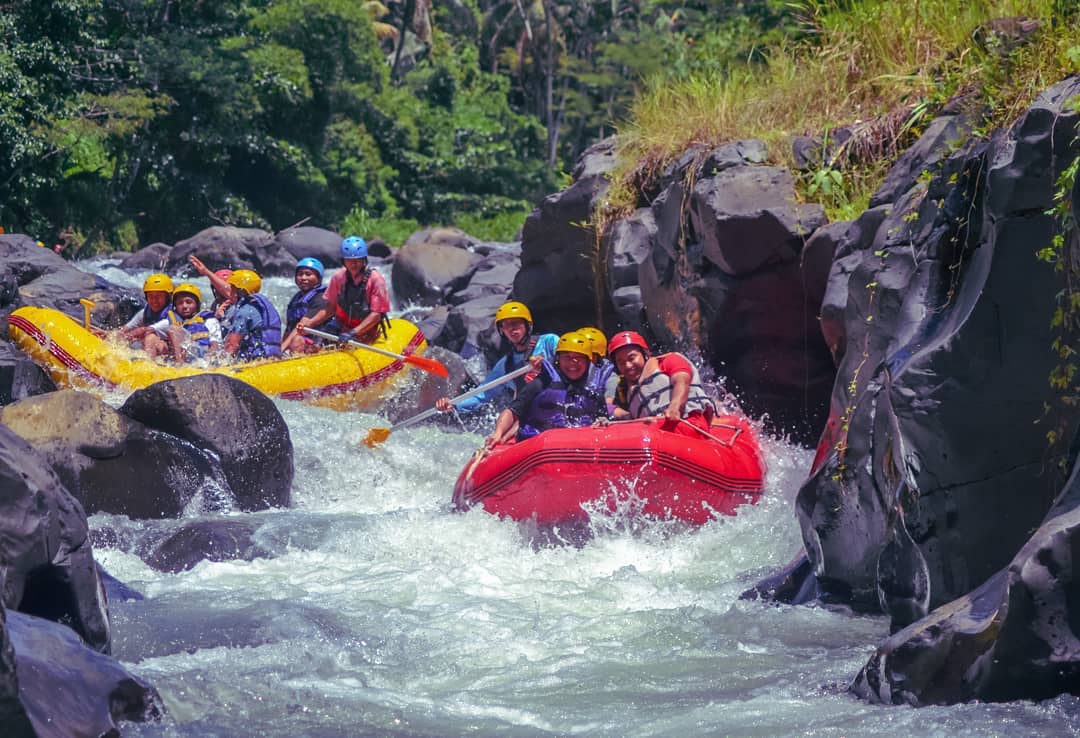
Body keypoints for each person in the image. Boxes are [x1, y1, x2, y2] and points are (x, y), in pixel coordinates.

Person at [434, 300, 558, 416]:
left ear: (527, 325)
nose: (511, 329)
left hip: (561, 403)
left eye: (515, 323)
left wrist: (550, 364)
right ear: (502, 331)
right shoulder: (505, 365)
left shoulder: (550, 342)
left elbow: (571, 362)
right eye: (506, 325)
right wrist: (453, 404)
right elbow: (481, 395)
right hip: (536, 415)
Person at [485, 331, 609, 446]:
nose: (572, 363)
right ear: (557, 360)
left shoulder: (594, 389)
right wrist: (498, 433)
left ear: (588, 361)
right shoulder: (541, 383)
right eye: (567, 357)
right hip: (537, 446)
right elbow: (512, 411)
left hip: (577, 447)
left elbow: (603, 418)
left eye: (579, 358)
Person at [607, 330, 717, 437]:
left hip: (689, 423)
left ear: (645, 354)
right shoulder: (626, 392)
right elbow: (612, 408)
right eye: (621, 362)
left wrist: (675, 406)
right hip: (657, 435)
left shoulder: (667, 361)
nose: (628, 365)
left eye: (632, 358)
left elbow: (681, 380)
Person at [297, 236, 389, 345]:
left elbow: (376, 315)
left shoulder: (376, 279)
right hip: (341, 326)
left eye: (357, 260)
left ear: (364, 259)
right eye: (349, 260)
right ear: (343, 261)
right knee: (319, 343)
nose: (353, 264)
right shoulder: (338, 277)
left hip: (366, 331)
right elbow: (330, 308)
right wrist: (310, 323)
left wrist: (353, 332)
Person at [107, 273, 181, 360]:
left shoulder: (173, 314)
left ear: (168, 298)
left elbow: (147, 330)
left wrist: (133, 334)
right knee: (129, 340)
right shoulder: (145, 312)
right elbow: (125, 329)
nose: (154, 301)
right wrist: (109, 335)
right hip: (152, 349)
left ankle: (148, 367)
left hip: (169, 353)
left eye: (158, 297)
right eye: (150, 296)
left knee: (150, 338)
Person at [222, 269, 283, 361]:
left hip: (255, 363)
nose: (229, 291)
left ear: (240, 290)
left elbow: (231, 346)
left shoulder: (244, 312)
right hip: (272, 359)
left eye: (232, 287)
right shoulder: (264, 307)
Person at [281, 257, 328, 354]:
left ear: (318, 278)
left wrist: (281, 349)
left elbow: (300, 328)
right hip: (303, 341)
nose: (303, 278)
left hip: (319, 343)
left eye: (308, 274)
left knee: (297, 340)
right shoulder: (296, 299)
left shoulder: (321, 298)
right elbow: (289, 329)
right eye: (300, 274)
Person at [167, 282, 212, 363]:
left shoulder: (209, 321)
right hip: (185, 354)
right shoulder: (171, 320)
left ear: (197, 304)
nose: (184, 306)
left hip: (201, 356)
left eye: (189, 302)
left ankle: (179, 365)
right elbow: (155, 329)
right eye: (180, 303)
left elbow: (215, 343)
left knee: (173, 329)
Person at [577, 326, 619, 408]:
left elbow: (609, 404)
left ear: (597, 357)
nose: (579, 360)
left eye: (587, 355)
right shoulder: (569, 371)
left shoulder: (609, 376)